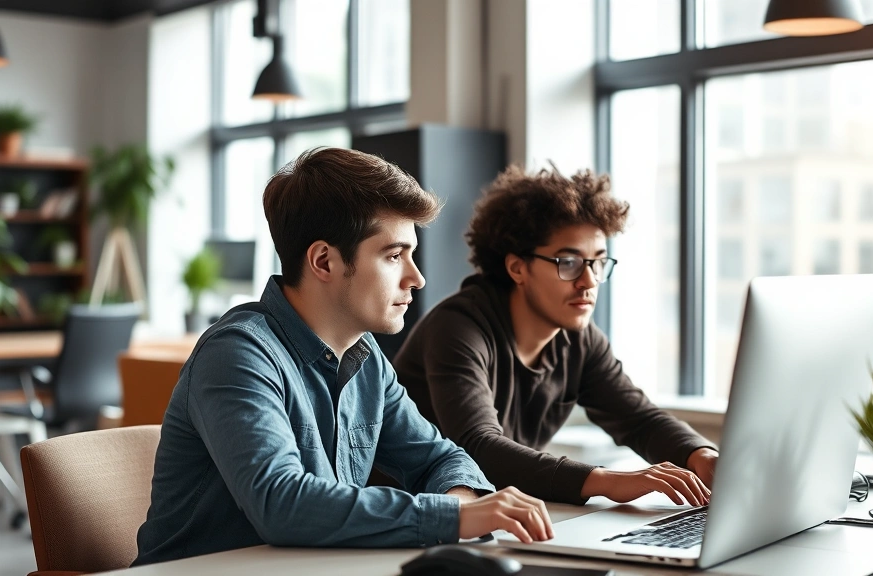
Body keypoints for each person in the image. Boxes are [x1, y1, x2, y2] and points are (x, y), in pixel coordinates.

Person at [134, 148, 553, 566]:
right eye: (393, 256)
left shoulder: (367, 360)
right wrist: (453, 516)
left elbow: (441, 459)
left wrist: (461, 506)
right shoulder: (238, 354)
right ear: (323, 261)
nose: (417, 278)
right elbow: (282, 504)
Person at [392, 165, 719, 507]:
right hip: (409, 521)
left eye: (598, 263)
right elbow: (477, 446)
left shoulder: (580, 339)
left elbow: (638, 420)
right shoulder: (458, 327)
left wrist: (703, 455)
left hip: (489, 514)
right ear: (517, 267)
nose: (589, 282)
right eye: (569, 262)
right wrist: (606, 481)